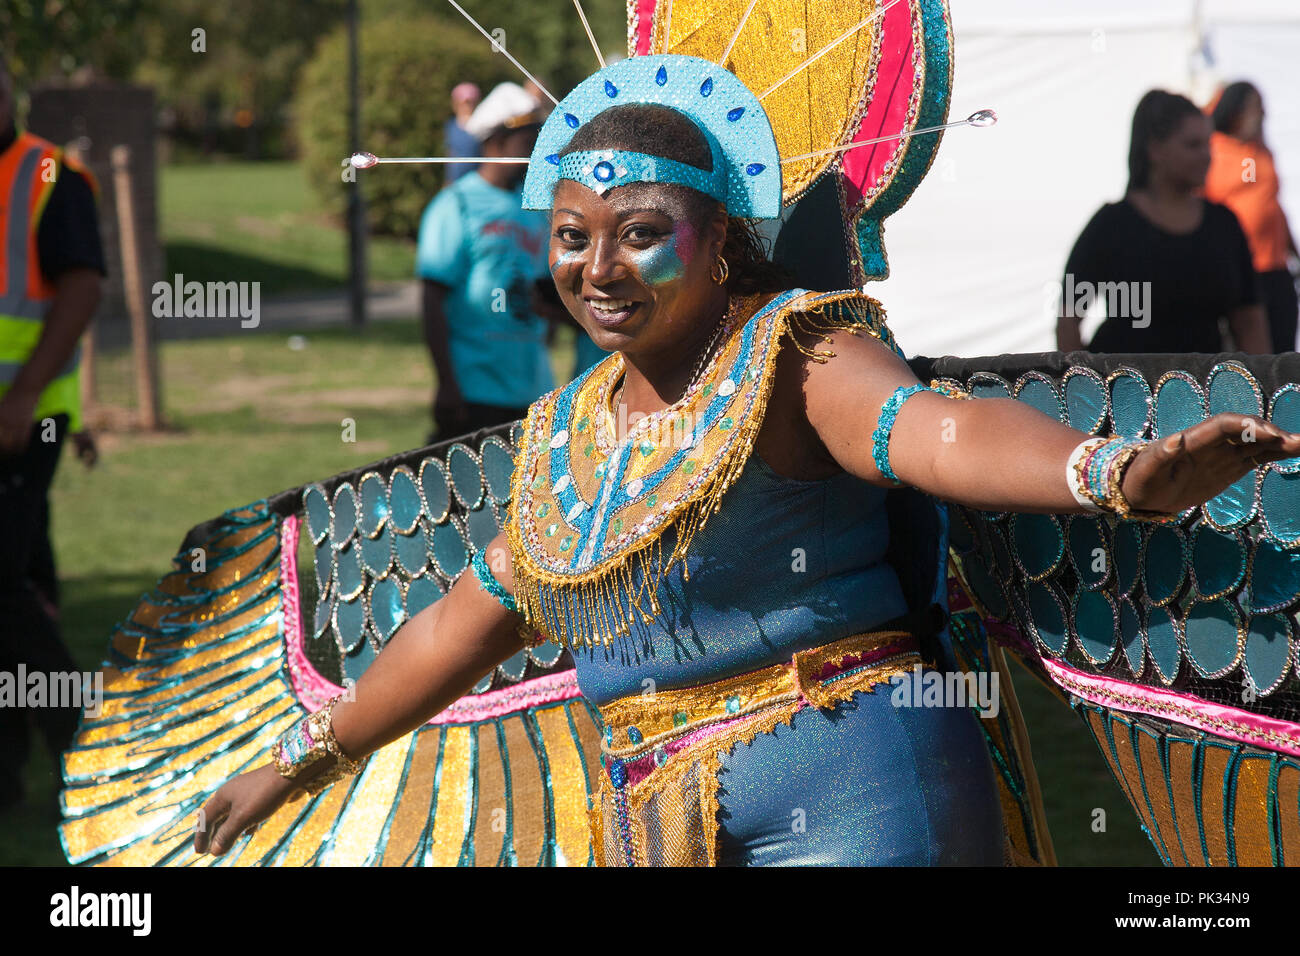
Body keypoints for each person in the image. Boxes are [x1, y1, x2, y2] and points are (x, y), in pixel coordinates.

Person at [194, 54, 1300, 866]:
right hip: (652, 817)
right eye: (573, 236)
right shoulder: (563, 435)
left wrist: (1112, 474)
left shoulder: (795, 349)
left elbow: (937, 430)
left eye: (641, 229)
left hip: (859, 789)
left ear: (720, 237)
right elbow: (458, 624)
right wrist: (298, 760)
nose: (600, 265)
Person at [0, 48, 105, 810]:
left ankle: (82, 748)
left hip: (21, 421)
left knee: (3, 590)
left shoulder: (48, 178)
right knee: (23, 583)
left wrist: (24, 397)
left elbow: (80, 291)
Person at [1057, 90, 1270, 354]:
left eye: (1208, 145)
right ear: (1155, 150)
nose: (1207, 156)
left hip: (1204, 389)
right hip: (1125, 387)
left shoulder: (1223, 224)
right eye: (1192, 145)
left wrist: (1257, 387)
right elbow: (1068, 317)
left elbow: (1249, 319)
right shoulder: (1113, 225)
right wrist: (1083, 386)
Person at [416, 82, 552, 443]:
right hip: (474, 390)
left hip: (535, 391)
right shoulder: (455, 205)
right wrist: (447, 383)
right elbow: (432, 297)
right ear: (495, 144)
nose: (533, 155)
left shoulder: (537, 207)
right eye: (527, 143)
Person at [1206, 81, 1299, 353]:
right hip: (1239, 272)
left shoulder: (1262, 150)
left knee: (1283, 356)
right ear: (1234, 112)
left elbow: (1272, 205)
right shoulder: (1211, 150)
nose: (1263, 116)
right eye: (1256, 108)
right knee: (1249, 356)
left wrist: (1294, 252)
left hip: (1276, 270)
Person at [442, 82, 481, 185]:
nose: (466, 106)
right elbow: (450, 153)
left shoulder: (482, 126)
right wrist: (447, 181)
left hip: (477, 181)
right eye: (462, 103)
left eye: (470, 102)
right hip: (456, 181)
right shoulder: (450, 126)